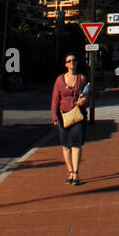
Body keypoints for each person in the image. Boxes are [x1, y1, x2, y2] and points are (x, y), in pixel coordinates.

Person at [51, 53, 89, 185]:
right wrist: (54, 116)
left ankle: (76, 173)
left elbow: (87, 93)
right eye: (69, 61)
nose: (72, 62)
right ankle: (70, 171)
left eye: (74, 60)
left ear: (77, 63)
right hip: (64, 116)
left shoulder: (82, 79)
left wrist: (84, 99)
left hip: (78, 115)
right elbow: (55, 99)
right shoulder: (59, 80)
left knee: (76, 144)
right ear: (65, 64)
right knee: (66, 145)